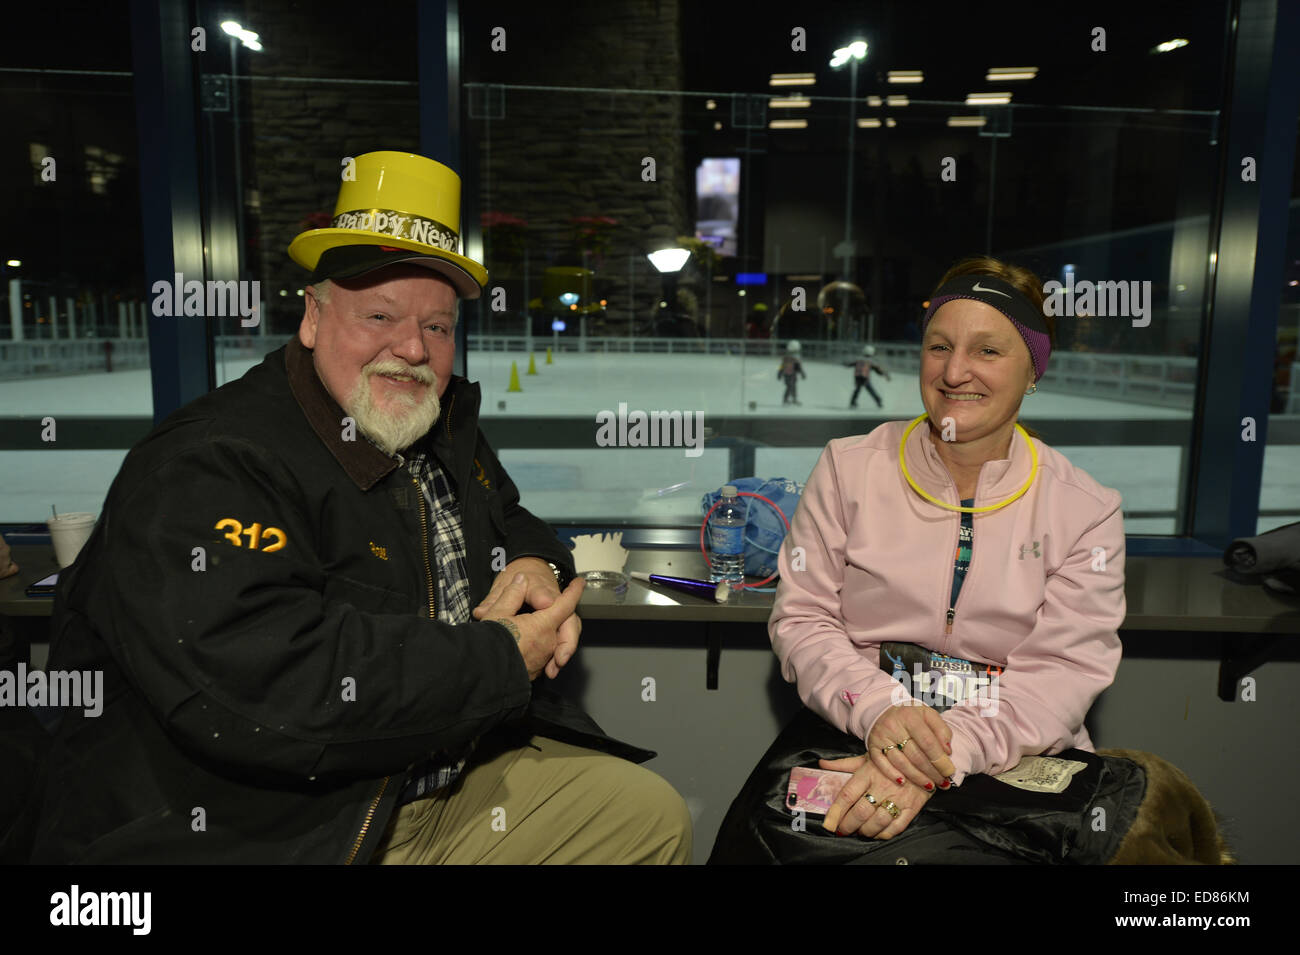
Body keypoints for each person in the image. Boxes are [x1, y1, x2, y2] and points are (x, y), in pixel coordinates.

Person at [23, 151, 692, 865]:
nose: (411, 348)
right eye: (380, 314)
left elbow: (509, 516)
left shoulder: (434, 424)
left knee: (651, 817)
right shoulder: (211, 463)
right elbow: (275, 683)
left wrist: (534, 561)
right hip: (274, 826)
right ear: (313, 317)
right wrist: (498, 661)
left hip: (424, 779)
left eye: (437, 327)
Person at [710, 257, 1127, 863]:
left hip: (1012, 750)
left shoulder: (1084, 509)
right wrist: (882, 711)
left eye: (987, 351)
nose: (955, 372)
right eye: (939, 346)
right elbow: (803, 620)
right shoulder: (849, 467)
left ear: (1033, 369)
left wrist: (939, 755)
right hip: (857, 724)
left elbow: (1061, 676)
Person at [845, 344, 892, 409]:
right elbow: (878, 370)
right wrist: (884, 375)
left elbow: (850, 364)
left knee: (857, 389)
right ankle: (878, 401)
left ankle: (853, 402)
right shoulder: (871, 361)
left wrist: (845, 364)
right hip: (865, 377)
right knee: (870, 389)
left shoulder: (859, 359)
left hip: (857, 377)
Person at [778, 340, 807, 405]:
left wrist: (802, 373)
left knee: (793, 386)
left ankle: (794, 399)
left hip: (793, 374)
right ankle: (786, 399)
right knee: (789, 386)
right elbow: (782, 366)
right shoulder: (787, 357)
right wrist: (779, 373)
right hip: (787, 374)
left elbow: (798, 366)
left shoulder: (796, 357)